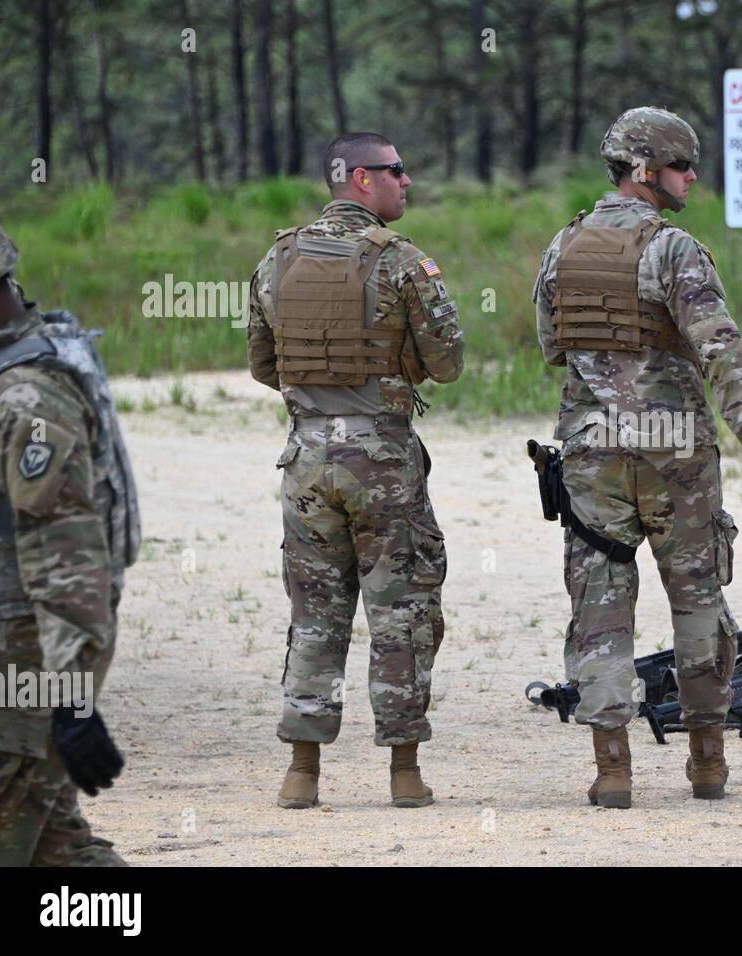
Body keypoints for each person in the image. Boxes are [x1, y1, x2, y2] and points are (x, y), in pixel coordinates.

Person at [533, 107, 742, 808]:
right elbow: (720, 347)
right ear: (645, 171)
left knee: (601, 611)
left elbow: (554, 346)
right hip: (674, 451)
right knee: (697, 600)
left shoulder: (563, 246)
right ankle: (707, 762)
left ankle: (612, 768)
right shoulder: (675, 250)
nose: (692, 176)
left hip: (592, 455)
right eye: (680, 165)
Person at [247, 132, 463, 809]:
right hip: (382, 464)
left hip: (307, 460)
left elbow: (262, 365)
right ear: (362, 181)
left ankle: (302, 774)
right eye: (397, 171)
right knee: (400, 611)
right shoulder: (401, 263)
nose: (407, 182)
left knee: (315, 614)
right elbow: (448, 364)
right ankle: (404, 773)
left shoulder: (276, 261)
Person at [0, 214, 136, 864]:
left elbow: (66, 552)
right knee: (56, 852)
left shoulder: (26, 398)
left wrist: (70, 700)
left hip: (22, 667)